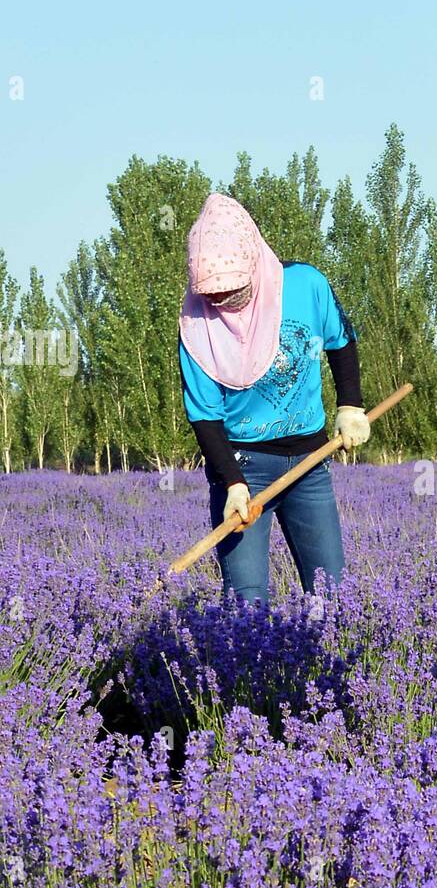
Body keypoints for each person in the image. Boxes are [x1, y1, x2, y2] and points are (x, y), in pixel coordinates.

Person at [178, 191, 370, 606]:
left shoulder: (305, 285)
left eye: (233, 291)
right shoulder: (196, 324)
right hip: (243, 465)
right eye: (214, 295)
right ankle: (248, 673)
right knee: (246, 604)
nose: (224, 302)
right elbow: (204, 414)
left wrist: (350, 406)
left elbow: (340, 340)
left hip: (310, 461)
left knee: (331, 595)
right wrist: (232, 482)